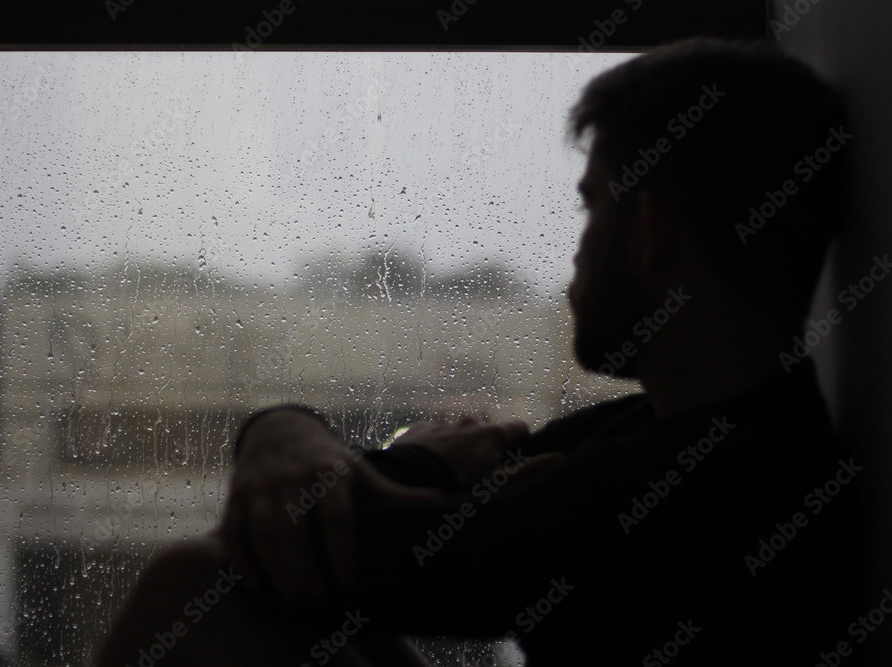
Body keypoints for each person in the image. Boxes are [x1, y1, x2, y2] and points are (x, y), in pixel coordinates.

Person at [99, 37, 868, 666]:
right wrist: (307, 440)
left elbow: (295, 543)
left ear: (650, 232)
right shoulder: (703, 440)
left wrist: (284, 429)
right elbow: (372, 519)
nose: (575, 255)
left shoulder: (692, 488)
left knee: (190, 583)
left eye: (592, 204)